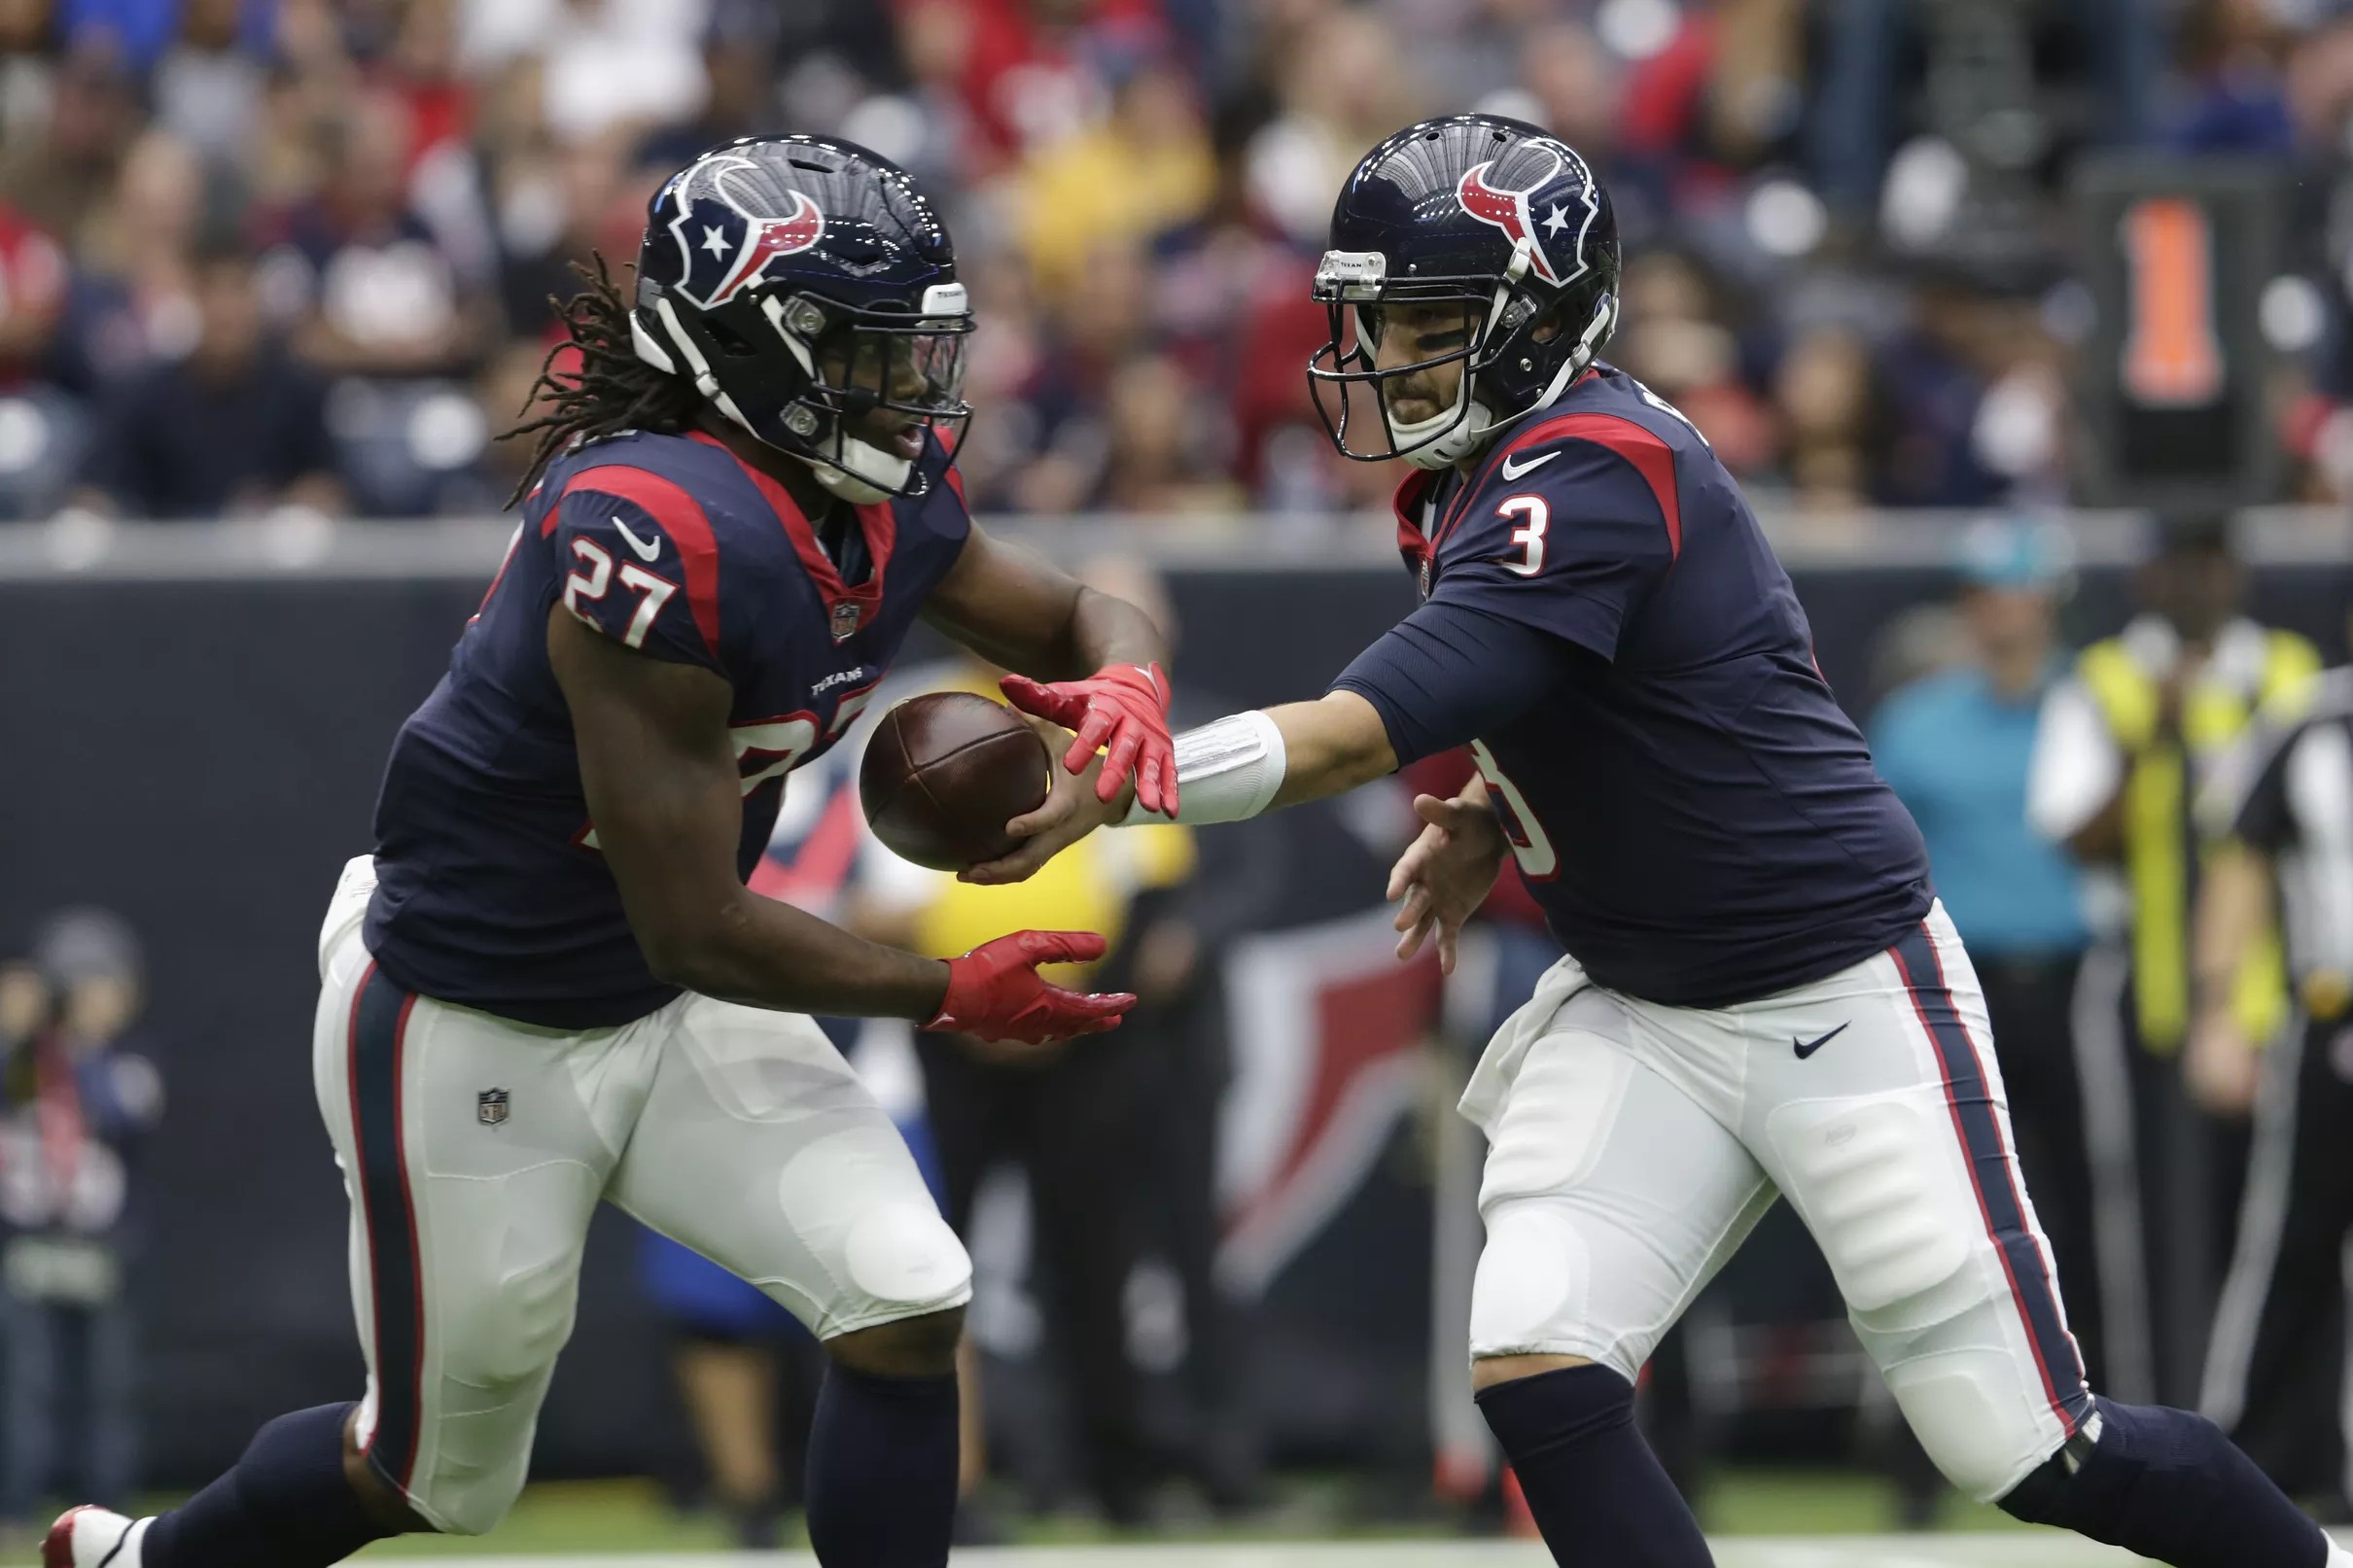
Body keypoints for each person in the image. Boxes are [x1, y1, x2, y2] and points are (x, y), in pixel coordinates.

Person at [992, 113, 2351, 1568]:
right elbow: (1617, 702)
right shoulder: (1488, 473)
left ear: (1540, 321)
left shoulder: (1592, 465)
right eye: (1379, 320)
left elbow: (1353, 729)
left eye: (1430, 321)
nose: (1386, 357)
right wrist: (1495, 810)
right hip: (1650, 1000)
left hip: (1836, 991)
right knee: (1536, 1355)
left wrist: (1133, 775)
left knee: (2031, 1447)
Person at [43, 134, 1177, 1568]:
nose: (901, 385)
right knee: (429, 1475)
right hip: (479, 1014)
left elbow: (1084, 612)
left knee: (905, 1291)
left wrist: (1130, 685)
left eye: (908, 348)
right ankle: (145, 1561)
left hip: (667, 1002)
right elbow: (692, 922)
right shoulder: (655, 528)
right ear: (743, 349)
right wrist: (948, 991)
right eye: (857, 347)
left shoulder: (867, 503)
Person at [2029, 512, 2320, 1408]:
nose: (2196, 584)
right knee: (2144, 1222)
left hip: (2295, 985)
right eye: (2178, 564)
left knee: (2292, 1223)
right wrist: (2150, 739)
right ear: (2148, 577)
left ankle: (2295, 1431)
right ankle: (2153, 1411)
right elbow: (2075, 836)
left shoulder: (2291, 675)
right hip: (2140, 992)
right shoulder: (2109, 679)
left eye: (2212, 562)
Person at [2193, 611, 2353, 1514]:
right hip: (2329, 1015)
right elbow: (2241, 864)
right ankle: (2245, 1462)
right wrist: (2220, 1013)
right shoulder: (2309, 722)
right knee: (2287, 1243)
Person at [0, 912, 162, 1537]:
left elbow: (121, 1113)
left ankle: (105, 1512)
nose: (105, 1003)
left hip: (101, 1249)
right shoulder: (23, 1063)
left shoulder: (129, 1064)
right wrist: (17, 1031)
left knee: (107, 1390)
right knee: (25, 1384)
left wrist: (81, 1049)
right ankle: (16, 1507)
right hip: (28, 1243)